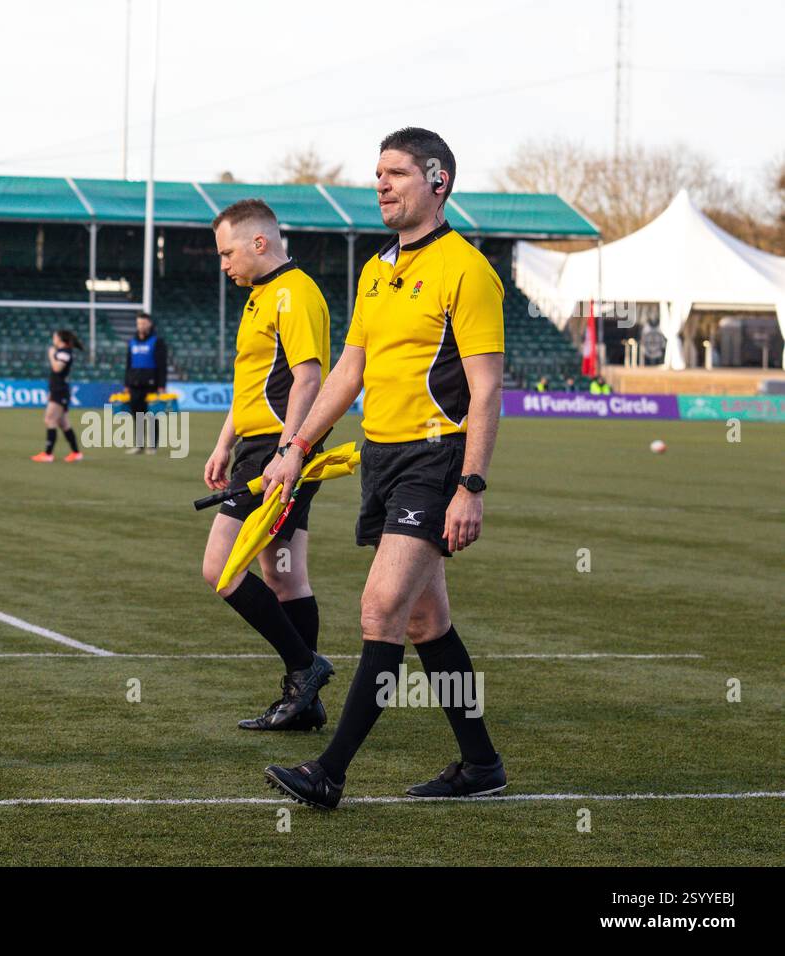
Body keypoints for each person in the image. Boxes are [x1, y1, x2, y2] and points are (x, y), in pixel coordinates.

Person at [260, 128, 507, 809]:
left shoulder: (467, 269)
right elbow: (350, 371)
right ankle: (481, 763)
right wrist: (297, 447)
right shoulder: (376, 268)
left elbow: (487, 388)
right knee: (427, 623)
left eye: (395, 173)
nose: (381, 185)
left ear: (438, 181)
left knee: (381, 607)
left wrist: (471, 487)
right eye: (378, 174)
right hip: (382, 458)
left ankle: (328, 772)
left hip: (437, 458)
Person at [202, 198, 335, 731]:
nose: (223, 263)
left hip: (277, 451)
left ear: (260, 242)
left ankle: (306, 668)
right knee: (283, 576)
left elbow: (308, 379)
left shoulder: (293, 292)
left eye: (227, 252)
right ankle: (305, 701)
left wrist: (288, 450)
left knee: (220, 567)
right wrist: (221, 443)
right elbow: (252, 384)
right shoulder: (260, 297)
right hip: (257, 446)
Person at [31, 329, 84, 462]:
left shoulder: (64, 353)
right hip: (57, 390)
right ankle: (76, 453)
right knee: (63, 423)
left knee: (50, 419)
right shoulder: (62, 352)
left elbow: (57, 368)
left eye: (54, 337)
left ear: (60, 339)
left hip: (60, 391)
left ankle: (48, 454)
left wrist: (51, 355)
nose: (53, 339)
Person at [124, 312, 167, 453]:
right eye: (139, 323)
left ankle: (153, 445)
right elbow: (128, 364)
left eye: (143, 323)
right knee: (137, 415)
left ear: (149, 324)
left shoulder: (157, 341)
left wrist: (161, 385)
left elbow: (162, 365)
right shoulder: (132, 342)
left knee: (152, 415)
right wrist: (126, 384)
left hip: (152, 385)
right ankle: (139, 444)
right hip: (134, 385)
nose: (141, 326)